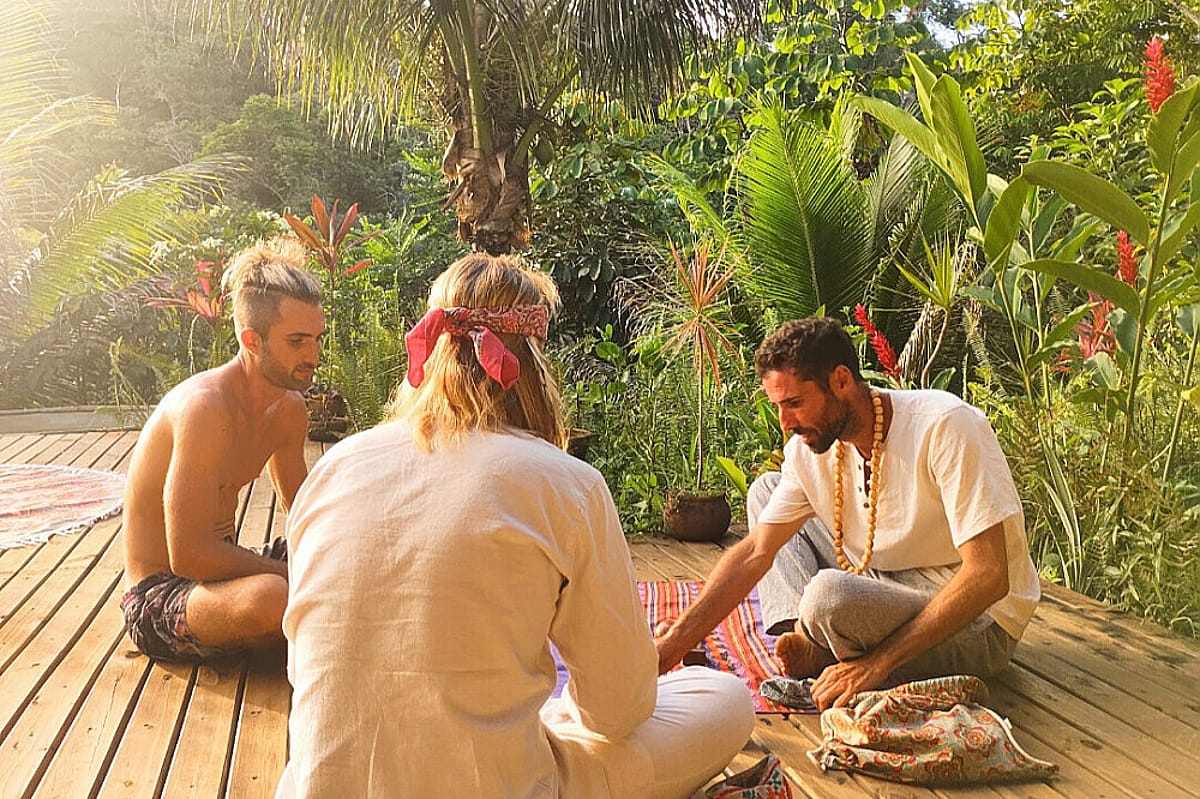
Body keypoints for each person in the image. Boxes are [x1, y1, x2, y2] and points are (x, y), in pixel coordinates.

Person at [277, 253, 755, 798]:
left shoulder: (334, 467)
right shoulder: (566, 485)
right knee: (721, 697)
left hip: (318, 786)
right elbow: (617, 714)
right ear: (531, 360)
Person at [654, 316, 1040, 712]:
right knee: (766, 491)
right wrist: (675, 641)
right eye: (779, 407)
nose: (786, 423)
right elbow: (756, 552)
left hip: (977, 622)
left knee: (828, 596)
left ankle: (823, 643)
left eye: (794, 404)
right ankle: (805, 642)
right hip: (880, 580)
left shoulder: (945, 427)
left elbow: (990, 576)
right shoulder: (814, 450)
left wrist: (875, 665)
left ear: (841, 381)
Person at [121, 236, 324, 662]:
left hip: (227, 572)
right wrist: (296, 574)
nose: (314, 356)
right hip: (164, 593)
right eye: (297, 341)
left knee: (353, 544)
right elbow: (189, 554)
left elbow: (305, 515)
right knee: (273, 597)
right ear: (252, 340)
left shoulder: (288, 408)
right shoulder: (205, 409)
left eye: (317, 339)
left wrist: (336, 549)